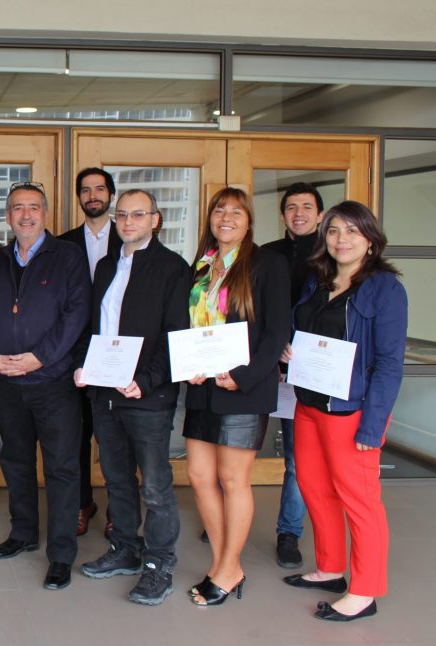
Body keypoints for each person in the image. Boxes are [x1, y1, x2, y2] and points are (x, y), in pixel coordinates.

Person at [281, 201, 406, 622]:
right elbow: (305, 335)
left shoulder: (385, 288)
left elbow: (390, 364)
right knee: (316, 491)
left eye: (352, 231)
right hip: (310, 405)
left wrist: (373, 427)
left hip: (352, 412)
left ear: (370, 239)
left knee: (360, 501)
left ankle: (365, 591)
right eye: (334, 231)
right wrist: (288, 351)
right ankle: (332, 568)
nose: (342, 239)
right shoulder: (318, 282)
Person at [0, 182, 91, 591]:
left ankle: (60, 554)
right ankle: (21, 533)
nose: (26, 215)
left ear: (46, 213)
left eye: (33, 207)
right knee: (15, 462)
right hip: (6, 382)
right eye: (17, 208)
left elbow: (76, 315)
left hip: (53, 382)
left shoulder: (68, 257)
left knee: (61, 468)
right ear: (7, 216)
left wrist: (41, 357)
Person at [76, 189, 191, 605]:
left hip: (147, 395)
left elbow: (177, 337)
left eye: (137, 215)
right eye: (121, 215)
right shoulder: (107, 265)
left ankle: (159, 565)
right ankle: (125, 548)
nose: (127, 222)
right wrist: (85, 365)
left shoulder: (173, 269)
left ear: (155, 220)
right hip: (105, 392)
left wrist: (146, 378)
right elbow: (98, 328)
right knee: (117, 478)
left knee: (156, 486)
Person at [183, 187, 290, 607]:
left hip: (243, 389)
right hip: (201, 388)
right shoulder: (202, 265)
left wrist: (242, 377)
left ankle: (230, 568)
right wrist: (186, 363)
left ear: (249, 221)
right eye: (219, 211)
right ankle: (220, 562)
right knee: (198, 476)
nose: (226, 218)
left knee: (232, 479)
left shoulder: (269, 265)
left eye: (235, 212)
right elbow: (191, 327)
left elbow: (276, 331)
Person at [261, 182, 324, 569]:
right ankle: (228, 516)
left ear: (320, 213)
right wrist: (275, 349)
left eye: (307, 206)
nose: (298, 213)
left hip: (311, 371)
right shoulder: (266, 255)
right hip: (265, 367)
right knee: (241, 448)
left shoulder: (332, 254)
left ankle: (289, 532)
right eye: (291, 207)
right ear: (282, 214)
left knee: (297, 460)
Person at [59, 167, 122, 537]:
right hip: (74, 355)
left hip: (117, 354)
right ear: (79, 197)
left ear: (111, 195)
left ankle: (119, 509)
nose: (93, 195)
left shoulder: (128, 237)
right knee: (76, 435)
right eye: (86, 190)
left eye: (100, 189)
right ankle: (83, 502)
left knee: (116, 440)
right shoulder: (63, 243)